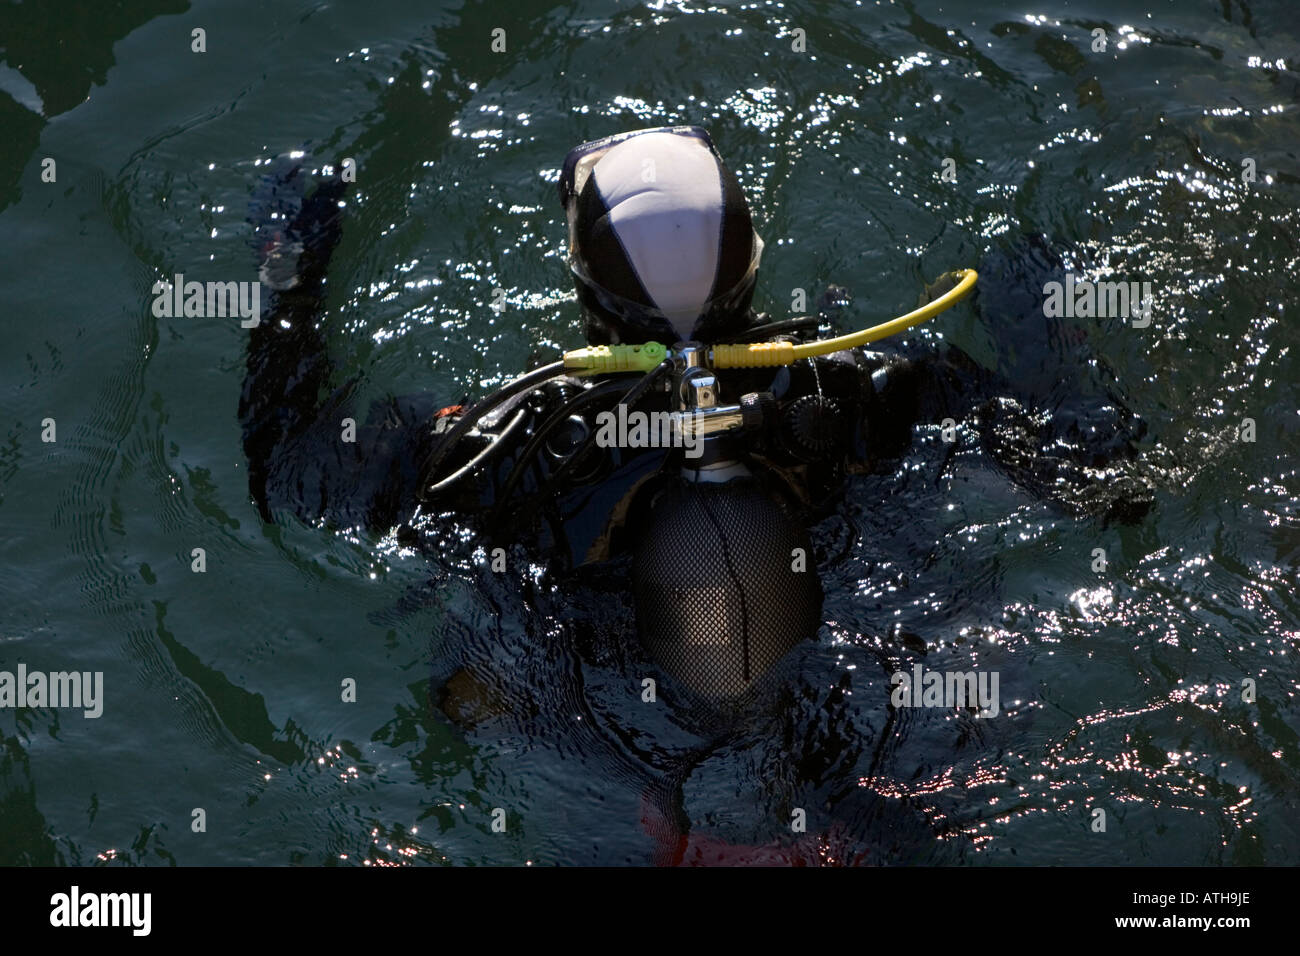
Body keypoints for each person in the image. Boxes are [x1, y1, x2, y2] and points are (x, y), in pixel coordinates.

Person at [240, 126, 1151, 705]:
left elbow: (287, 473)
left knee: (481, 688)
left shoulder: (499, 451)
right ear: (752, 266)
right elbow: (1109, 478)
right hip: (866, 680)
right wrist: (1043, 324)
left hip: (601, 737)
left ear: (586, 294)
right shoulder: (860, 389)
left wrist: (288, 270)